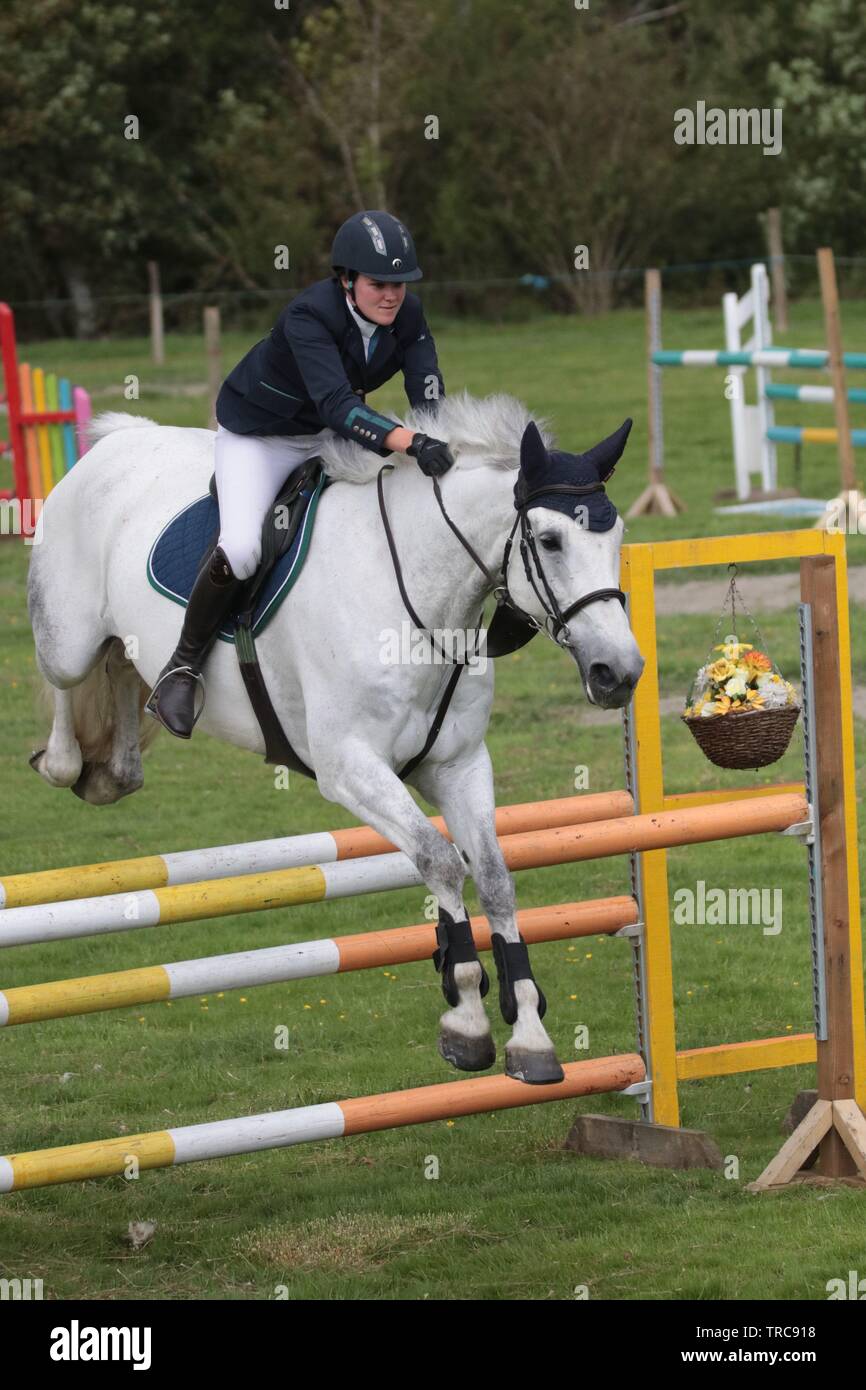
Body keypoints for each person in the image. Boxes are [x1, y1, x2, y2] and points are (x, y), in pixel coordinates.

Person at [146, 209, 453, 739]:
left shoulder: (408, 314)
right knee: (243, 546)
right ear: (347, 280)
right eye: (380, 283)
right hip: (259, 439)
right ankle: (181, 667)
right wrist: (409, 441)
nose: (392, 295)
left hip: (328, 437)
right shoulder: (308, 316)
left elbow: (426, 389)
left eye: (401, 284)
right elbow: (338, 404)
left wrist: (440, 435)